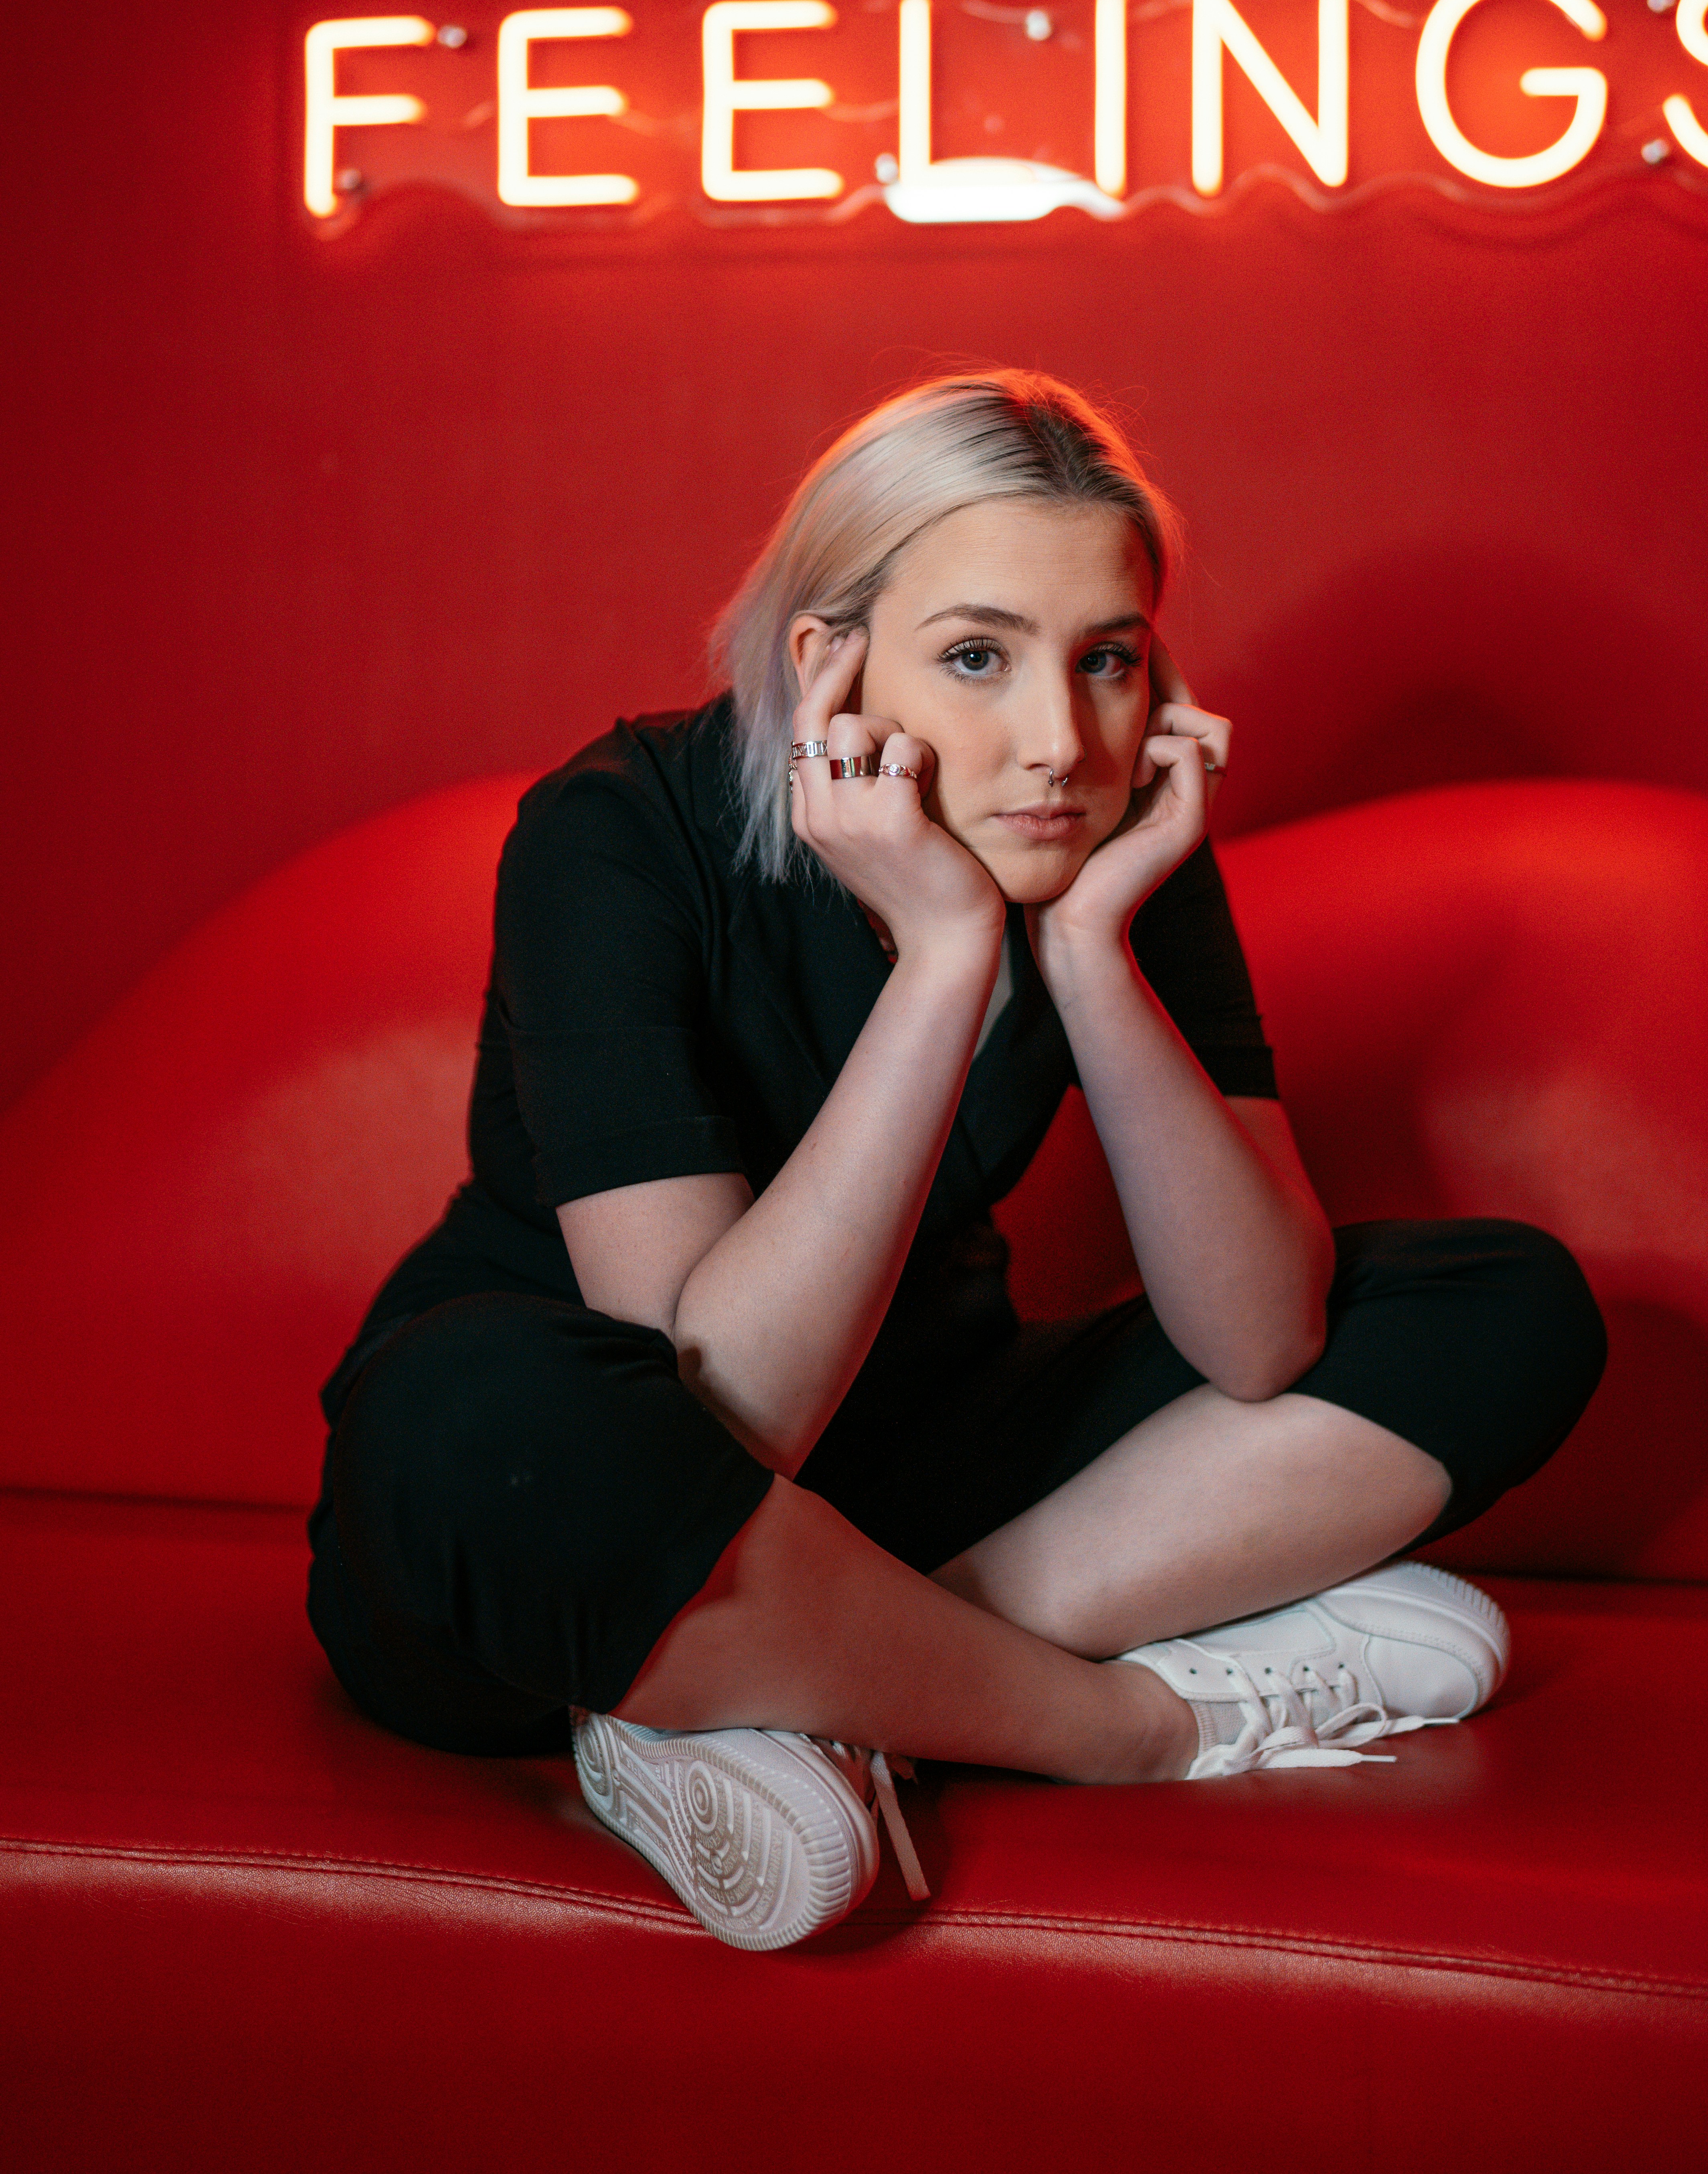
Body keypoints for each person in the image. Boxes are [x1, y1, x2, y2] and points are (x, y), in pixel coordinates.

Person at [308, 370, 1607, 1952]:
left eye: (1107, 662)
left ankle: (776, 1693)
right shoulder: (614, 831)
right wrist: (937, 962)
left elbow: (1258, 1339)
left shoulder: (1105, 835)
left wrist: (1093, 958)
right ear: (829, 665)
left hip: (904, 1463)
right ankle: (1114, 1721)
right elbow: (716, 1408)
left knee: (1500, 1301)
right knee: (478, 1413)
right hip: (558, 1514)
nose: (1057, 740)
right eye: (977, 658)